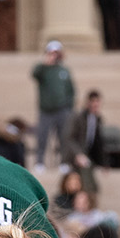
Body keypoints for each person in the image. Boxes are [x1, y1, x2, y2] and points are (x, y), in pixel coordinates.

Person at [31, 41, 74, 169]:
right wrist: (46, 63)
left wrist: (69, 107)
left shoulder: (64, 70)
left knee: (63, 137)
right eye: (52, 53)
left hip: (62, 110)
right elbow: (34, 74)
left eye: (56, 53)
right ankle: (39, 162)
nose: (54, 56)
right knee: (42, 137)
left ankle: (63, 162)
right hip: (46, 110)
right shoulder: (43, 69)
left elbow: (70, 90)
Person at [61, 89, 108, 200]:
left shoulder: (97, 119)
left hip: (88, 156)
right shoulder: (77, 117)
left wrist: (104, 162)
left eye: (98, 102)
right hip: (74, 156)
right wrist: (78, 154)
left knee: (91, 184)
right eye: (93, 102)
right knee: (82, 183)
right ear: (88, 102)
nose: (96, 105)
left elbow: (98, 142)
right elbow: (68, 137)